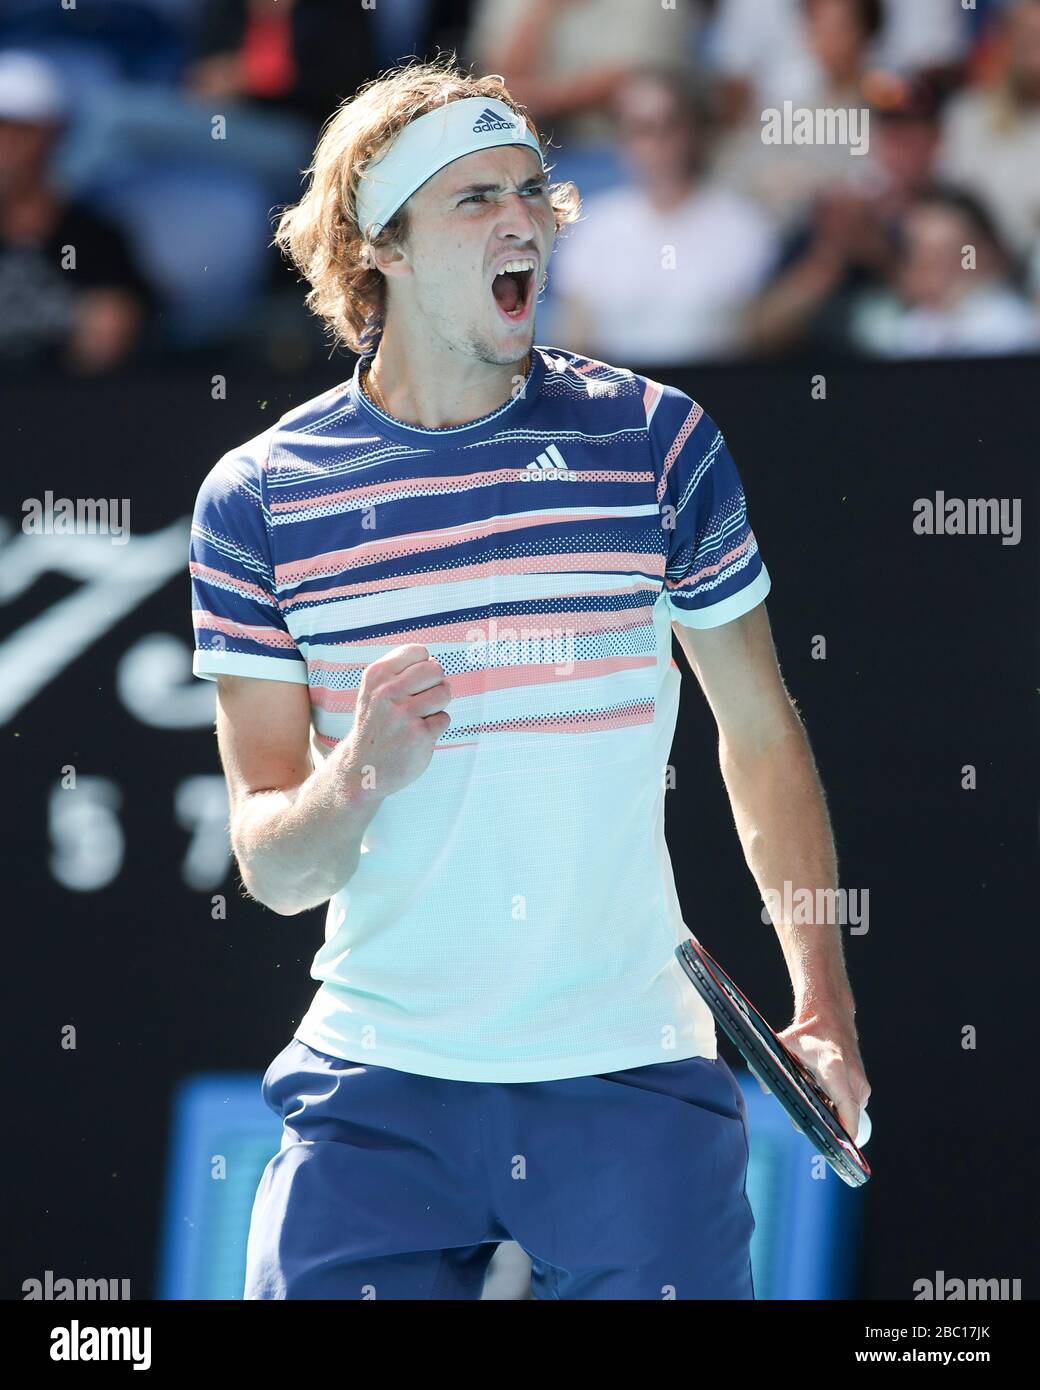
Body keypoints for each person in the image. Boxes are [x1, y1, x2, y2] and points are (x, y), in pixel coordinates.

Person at [188, 56, 869, 1301]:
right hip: (374, 1088)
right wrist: (352, 781)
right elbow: (275, 868)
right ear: (379, 246)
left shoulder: (656, 444)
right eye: (474, 198)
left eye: (534, 192)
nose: (525, 222)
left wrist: (817, 1001)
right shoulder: (260, 500)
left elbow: (759, 732)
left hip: (630, 1079)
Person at [550, 67, 779, 364]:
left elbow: (751, 336)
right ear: (622, 140)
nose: (657, 143)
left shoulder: (743, 224)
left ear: (692, 132)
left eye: (668, 126)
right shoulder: (590, 226)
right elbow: (576, 343)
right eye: (642, 128)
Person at [0, 50, 152, 372]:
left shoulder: (96, 236)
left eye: (18, 131)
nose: (5, 146)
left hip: (66, 407)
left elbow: (131, 329)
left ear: (52, 136)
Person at [847, 185, 1040, 357]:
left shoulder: (1011, 330)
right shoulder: (907, 330)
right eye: (921, 254)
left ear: (983, 255)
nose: (931, 269)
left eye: (946, 255)